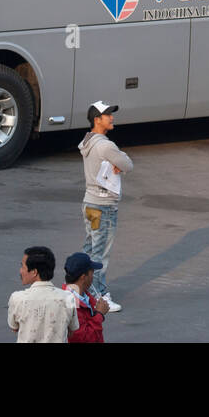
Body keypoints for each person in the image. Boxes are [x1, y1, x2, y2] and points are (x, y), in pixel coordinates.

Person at [79, 100, 132, 312]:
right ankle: (99, 296)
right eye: (107, 114)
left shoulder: (87, 142)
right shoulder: (106, 145)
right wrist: (119, 163)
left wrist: (114, 164)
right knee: (100, 254)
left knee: (90, 248)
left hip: (90, 204)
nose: (112, 117)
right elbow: (128, 164)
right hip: (104, 207)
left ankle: (79, 289)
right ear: (97, 119)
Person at [7, 246, 78, 343]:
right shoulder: (68, 298)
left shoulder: (17, 298)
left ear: (34, 272)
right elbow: (71, 330)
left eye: (23, 266)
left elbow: (14, 327)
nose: (21, 271)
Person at [62, 252, 109, 343]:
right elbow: (86, 338)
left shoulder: (84, 295)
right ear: (83, 277)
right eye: (92, 272)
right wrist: (99, 314)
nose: (93, 276)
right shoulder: (71, 305)